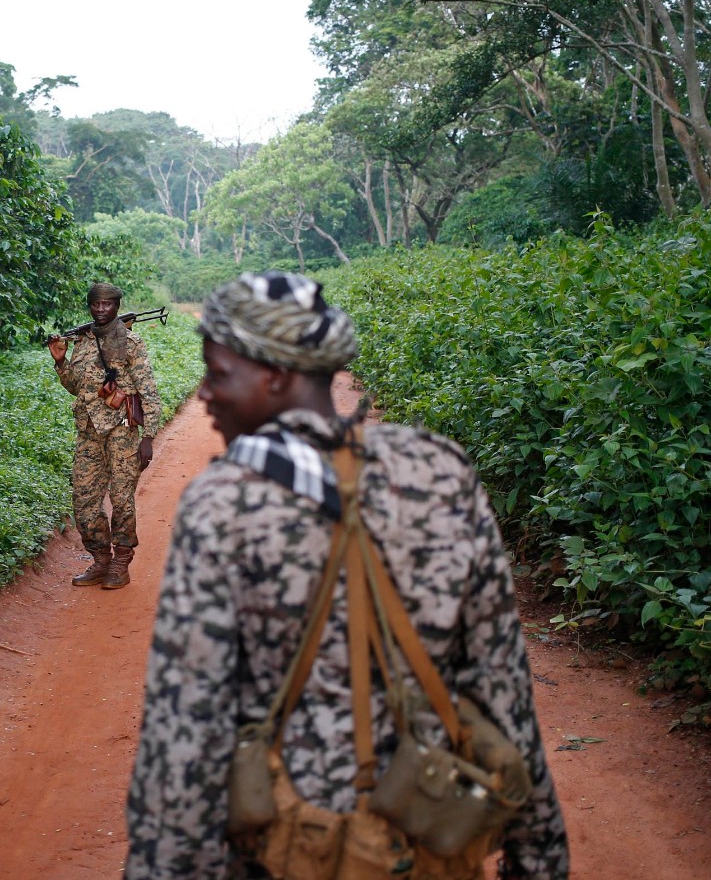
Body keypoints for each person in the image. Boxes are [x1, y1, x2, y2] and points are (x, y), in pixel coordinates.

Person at [124, 271, 569, 879]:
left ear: (276, 375)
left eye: (219, 374)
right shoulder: (439, 473)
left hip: (285, 851)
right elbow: (503, 687)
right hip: (428, 843)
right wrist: (539, 860)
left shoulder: (223, 504)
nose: (204, 394)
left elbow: (185, 738)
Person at [47, 282, 162, 589]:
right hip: (89, 432)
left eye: (107, 304)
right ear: (90, 307)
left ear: (116, 306)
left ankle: (121, 563)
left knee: (122, 499)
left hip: (123, 431)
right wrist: (60, 361)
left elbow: (149, 393)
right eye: (95, 305)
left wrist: (148, 438)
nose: (101, 310)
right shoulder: (82, 342)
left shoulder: (131, 343)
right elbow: (76, 385)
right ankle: (100, 560)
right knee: (83, 501)